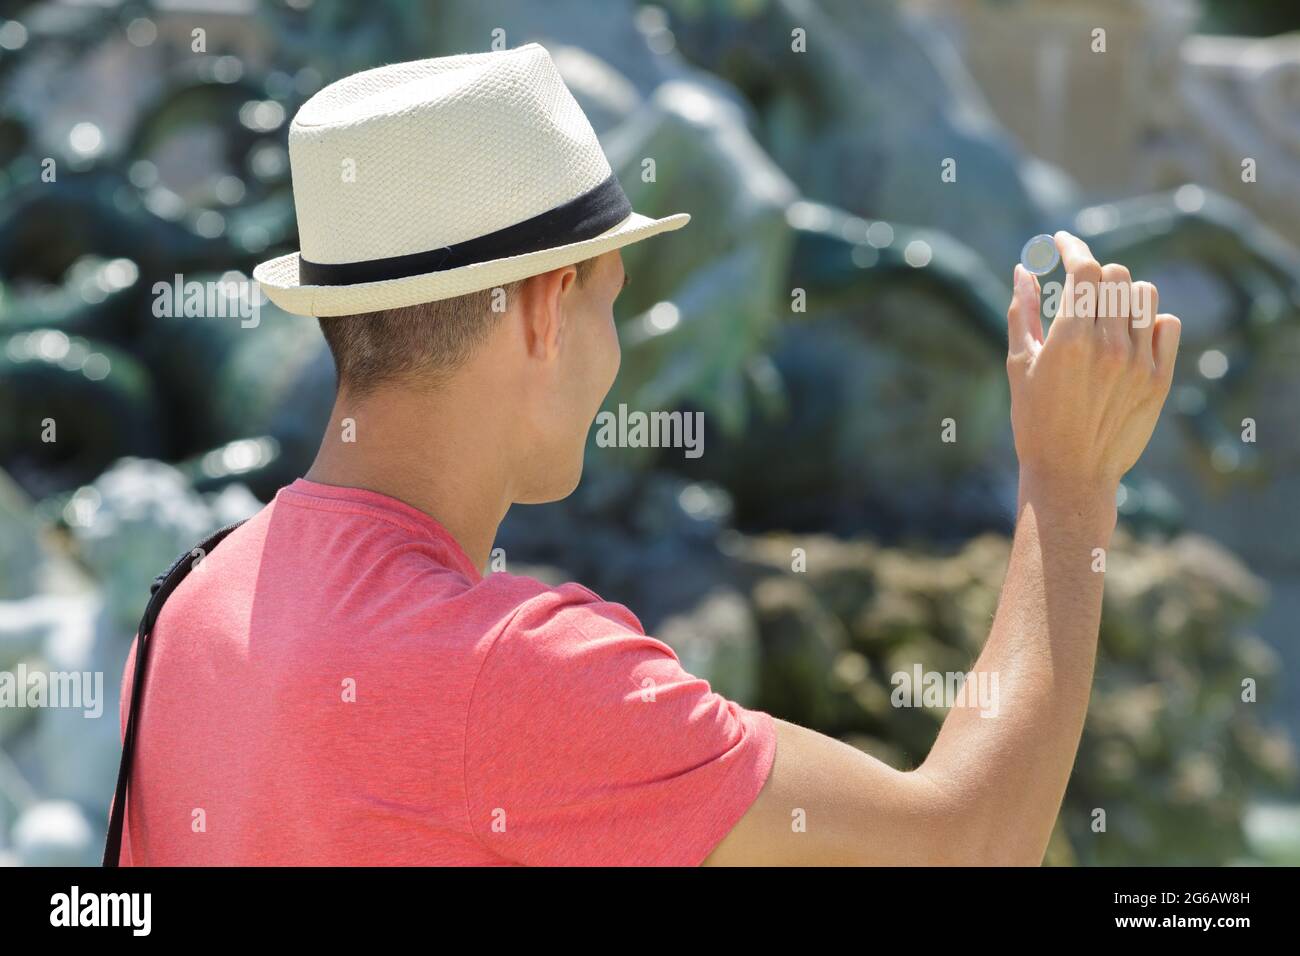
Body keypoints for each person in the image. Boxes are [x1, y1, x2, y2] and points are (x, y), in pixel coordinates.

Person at [116, 45, 1180, 865]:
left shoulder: (186, 606)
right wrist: (1069, 483)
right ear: (543, 310)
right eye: (612, 304)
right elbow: (963, 841)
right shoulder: (521, 675)